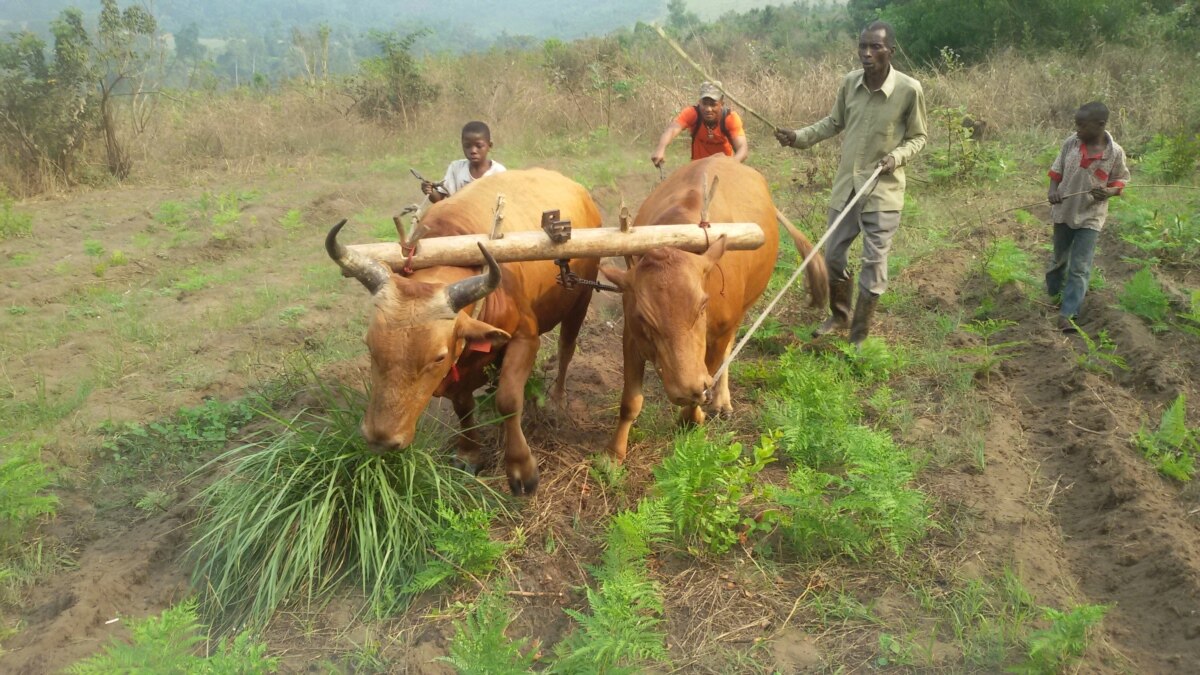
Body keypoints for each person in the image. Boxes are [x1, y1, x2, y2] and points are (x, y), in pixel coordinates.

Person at [775, 21, 927, 347]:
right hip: (847, 189)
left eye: (875, 47)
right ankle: (840, 315)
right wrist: (798, 137)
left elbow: (918, 137)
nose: (867, 54)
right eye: (863, 47)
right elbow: (833, 123)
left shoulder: (908, 90)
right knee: (832, 257)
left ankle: (859, 336)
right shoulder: (849, 83)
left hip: (882, 192)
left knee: (874, 264)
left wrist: (896, 157)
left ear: (891, 51)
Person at [1046, 101, 1129, 332]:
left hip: (1091, 216)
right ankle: (1053, 292)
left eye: (1082, 125)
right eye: (1077, 125)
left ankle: (1068, 314)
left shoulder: (1115, 153)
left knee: (1080, 266)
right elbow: (1057, 170)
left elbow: (1120, 181)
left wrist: (1109, 191)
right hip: (1064, 211)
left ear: (1100, 125)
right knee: (1059, 260)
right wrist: (1053, 190)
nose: (1078, 130)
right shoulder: (1071, 144)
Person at [650, 81, 748, 168]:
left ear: (722, 103)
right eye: (704, 104)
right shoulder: (692, 114)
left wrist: (732, 164)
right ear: (699, 102)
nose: (708, 109)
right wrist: (660, 149)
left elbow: (742, 148)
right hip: (697, 167)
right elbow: (672, 129)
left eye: (713, 104)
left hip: (723, 166)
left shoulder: (730, 118)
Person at [422, 121, 506, 203]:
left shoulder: (498, 172)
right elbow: (439, 198)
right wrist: (430, 191)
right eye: (467, 146)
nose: (473, 151)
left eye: (479, 146)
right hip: (457, 215)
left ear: (489, 146)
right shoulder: (456, 168)